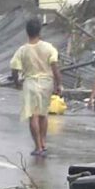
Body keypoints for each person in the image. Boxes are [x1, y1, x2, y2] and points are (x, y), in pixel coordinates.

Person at [10, 15, 62, 158]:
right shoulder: (49, 48)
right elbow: (55, 66)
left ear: (27, 32)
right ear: (39, 31)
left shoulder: (22, 50)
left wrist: (16, 82)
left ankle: (37, 145)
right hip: (47, 83)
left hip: (30, 83)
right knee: (43, 114)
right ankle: (43, 143)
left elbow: (14, 68)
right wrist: (59, 84)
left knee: (33, 115)